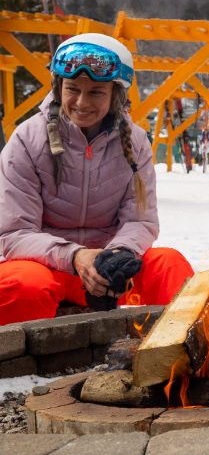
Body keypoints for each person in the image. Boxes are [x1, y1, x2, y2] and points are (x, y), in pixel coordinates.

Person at [0, 33, 194, 325]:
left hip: (110, 272)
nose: (81, 102)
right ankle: (19, 362)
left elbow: (140, 220)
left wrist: (116, 257)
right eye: (72, 89)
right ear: (58, 88)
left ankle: (181, 353)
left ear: (115, 95)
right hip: (47, 266)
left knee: (170, 266)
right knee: (20, 286)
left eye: (96, 93)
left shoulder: (136, 143)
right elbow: (13, 233)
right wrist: (76, 257)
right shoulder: (27, 140)